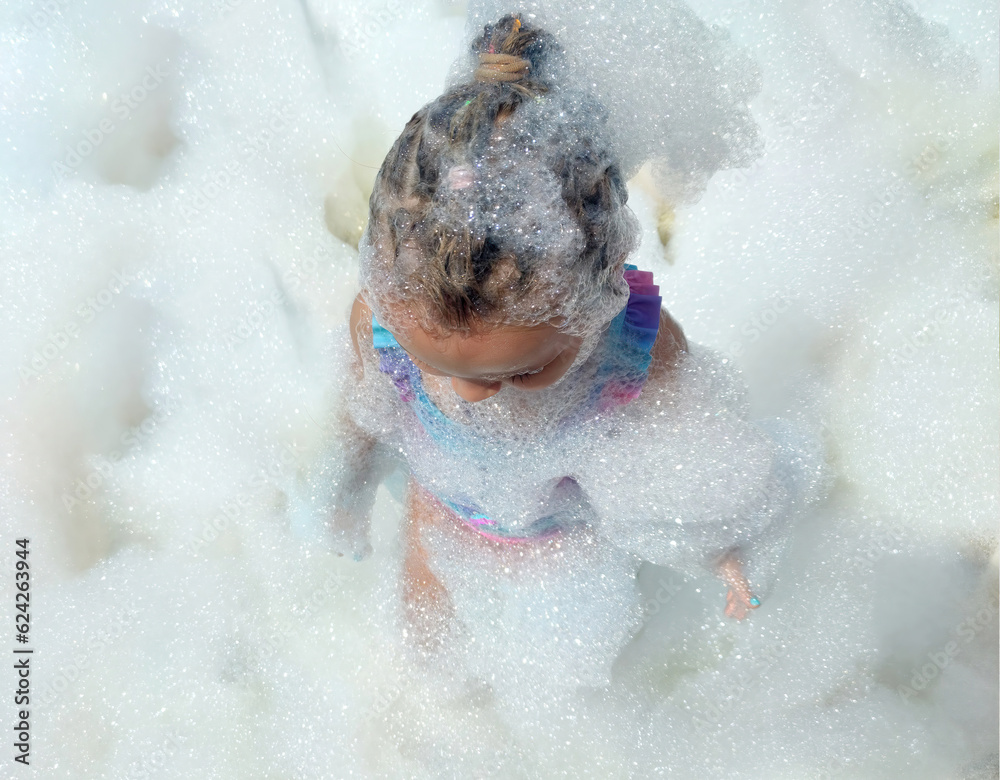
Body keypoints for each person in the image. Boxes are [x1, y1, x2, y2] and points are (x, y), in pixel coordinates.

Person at [313, 14, 823, 647]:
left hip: (570, 539)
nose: (473, 393)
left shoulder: (637, 347)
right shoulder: (384, 324)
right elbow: (361, 418)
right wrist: (344, 492)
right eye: (440, 368)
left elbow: (689, 459)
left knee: (584, 661)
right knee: (428, 644)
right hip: (443, 513)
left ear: (605, 288)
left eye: (524, 371)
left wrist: (725, 545)